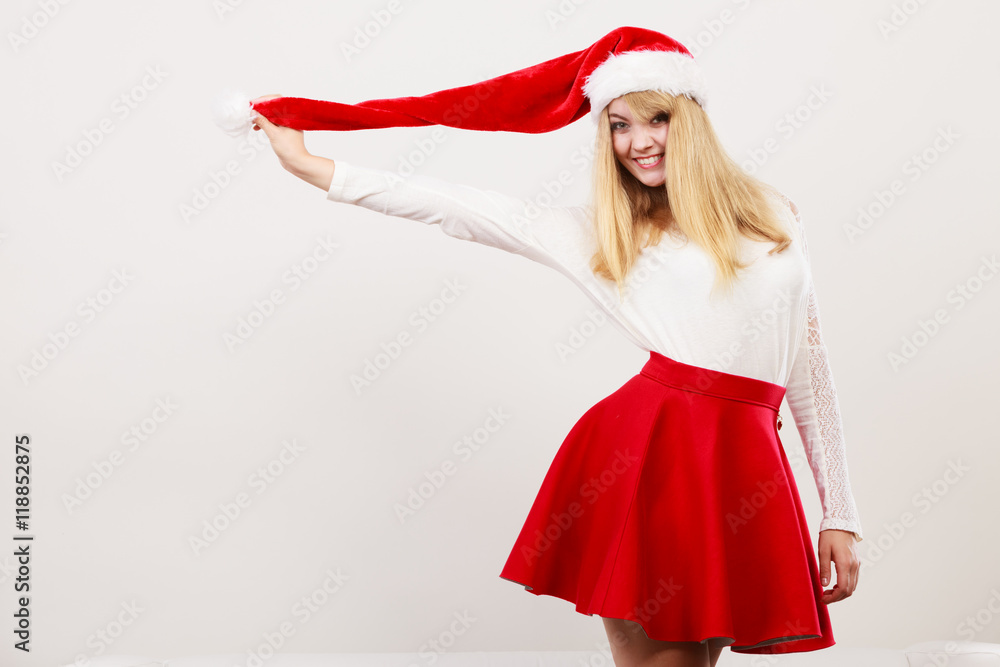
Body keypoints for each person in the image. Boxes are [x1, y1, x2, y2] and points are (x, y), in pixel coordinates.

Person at [240, 26, 862, 667]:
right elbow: (460, 208)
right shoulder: (605, 232)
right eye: (618, 125)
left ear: (692, 117)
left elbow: (809, 370)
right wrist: (311, 166)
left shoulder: (776, 213)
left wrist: (839, 512)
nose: (638, 141)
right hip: (649, 456)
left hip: (744, 459)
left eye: (656, 119)